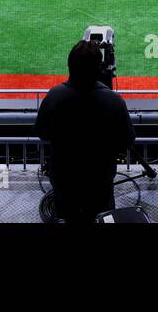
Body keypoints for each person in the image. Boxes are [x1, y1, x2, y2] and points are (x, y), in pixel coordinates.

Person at [34, 40, 136, 224]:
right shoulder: (114, 101)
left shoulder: (54, 96)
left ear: (70, 65)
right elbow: (127, 141)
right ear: (99, 69)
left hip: (64, 178)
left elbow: (43, 133)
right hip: (100, 179)